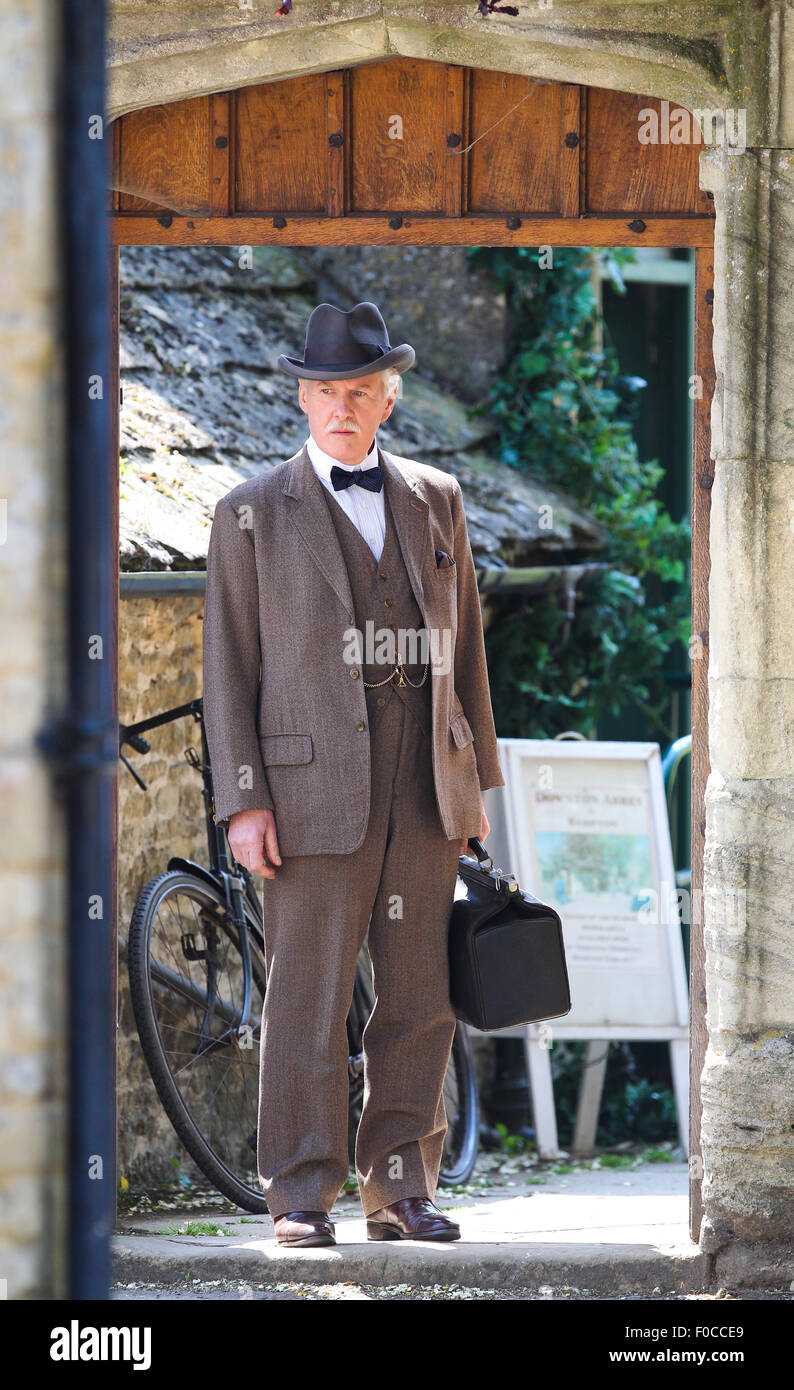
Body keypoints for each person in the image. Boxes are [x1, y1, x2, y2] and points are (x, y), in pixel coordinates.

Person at [202, 300, 505, 1246]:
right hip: (305, 793)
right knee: (308, 996)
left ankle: (401, 1190)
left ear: (389, 399)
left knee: (419, 999)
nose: (343, 406)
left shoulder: (437, 497)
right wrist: (243, 802)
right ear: (302, 397)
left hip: (423, 787)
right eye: (327, 390)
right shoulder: (249, 512)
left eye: (361, 392)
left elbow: (468, 661)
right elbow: (227, 671)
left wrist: (473, 791)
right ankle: (298, 1194)